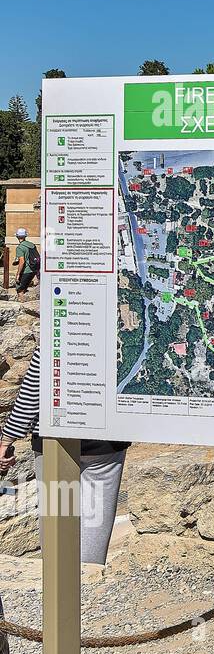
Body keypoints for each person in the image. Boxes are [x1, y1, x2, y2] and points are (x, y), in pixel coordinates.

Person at [0, 346, 129, 565]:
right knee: (94, 522)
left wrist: (7, 439)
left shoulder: (56, 335)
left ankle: (57, 591)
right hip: (105, 443)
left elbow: (32, 392)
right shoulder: (114, 337)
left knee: (57, 526)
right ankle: (88, 585)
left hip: (54, 441)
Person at [11, 228, 38, 297]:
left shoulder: (20, 247)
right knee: (24, 288)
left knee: (19, 289)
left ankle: (22, 306)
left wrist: (18, 274)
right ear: (25, 236)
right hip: (34, 269)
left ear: (17, 236)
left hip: (27, 270)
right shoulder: (32, 244)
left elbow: (22, 262)